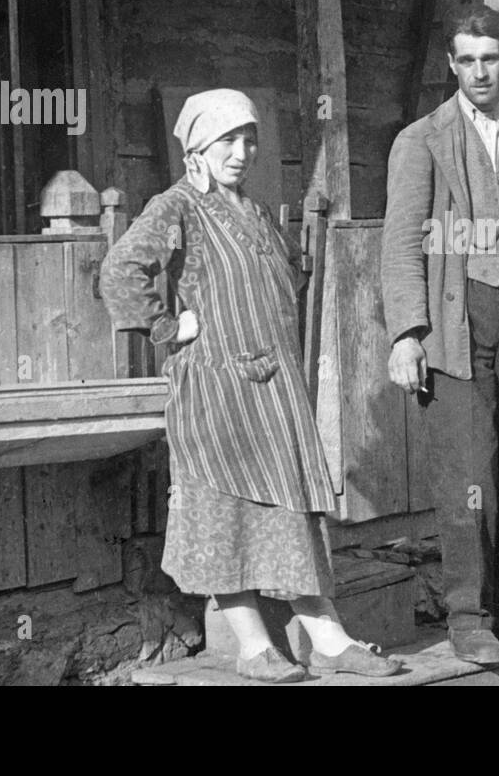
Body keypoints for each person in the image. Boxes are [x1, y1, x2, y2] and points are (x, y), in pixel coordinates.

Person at [101, 88, 398, 682]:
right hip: (215, 391)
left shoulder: (256, 212)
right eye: (225, 141)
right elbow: (120, 268)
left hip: (272, 390)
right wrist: (165, 325)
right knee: (224, 512)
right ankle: (253, 647)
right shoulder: (176, 206)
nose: (240, 152)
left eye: (248, 139)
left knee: (291, 509)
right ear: (198, 149)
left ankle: (328, 639)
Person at [381, 4, 499, 664]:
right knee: (470, 479)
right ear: (451, 64)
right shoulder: (421, 141)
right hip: (459, 321)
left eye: (489, 57)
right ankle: (468, 620)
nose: (479, 71)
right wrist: (408, 333)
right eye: (466, 59)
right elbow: (402, 242)